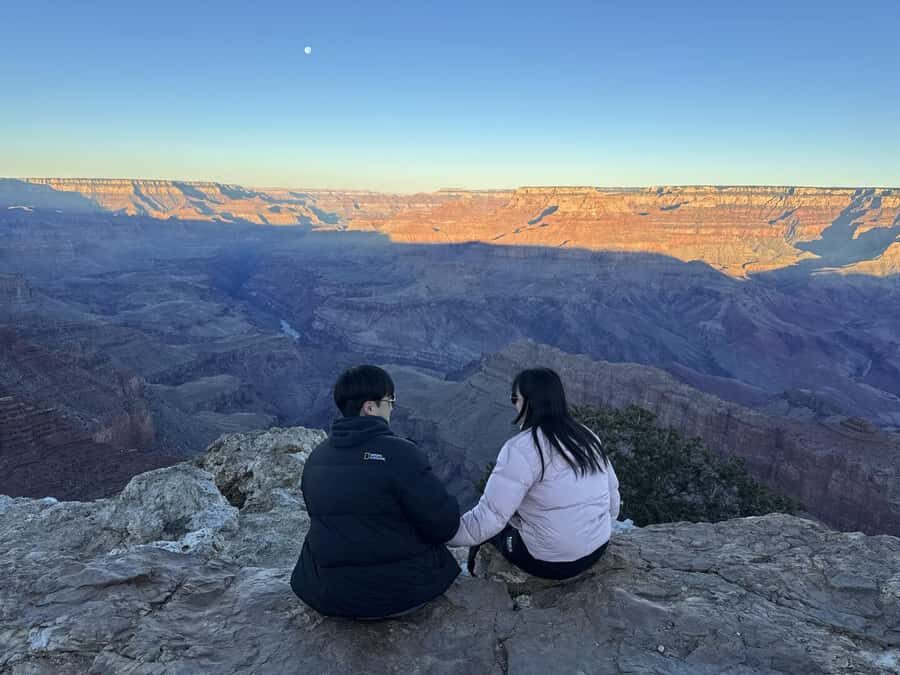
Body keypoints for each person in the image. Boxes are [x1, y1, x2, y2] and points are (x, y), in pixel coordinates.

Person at [290, 365, 461, 619]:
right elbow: (444, 525)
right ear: (370, 407)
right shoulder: (401, 453)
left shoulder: (316, 457)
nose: (392, 408)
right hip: (397, 594)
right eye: (390, 401)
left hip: (328, 593)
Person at [450, 367, 621, 579]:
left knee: (493, 533)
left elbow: (489, 518)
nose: (513, 404)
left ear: (529, 403)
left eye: (515, 399)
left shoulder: (521, 449)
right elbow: (612, 495)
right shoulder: (587, 436)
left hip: (550, 563)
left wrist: (446, 534)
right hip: (597, 549)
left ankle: (473, 577)